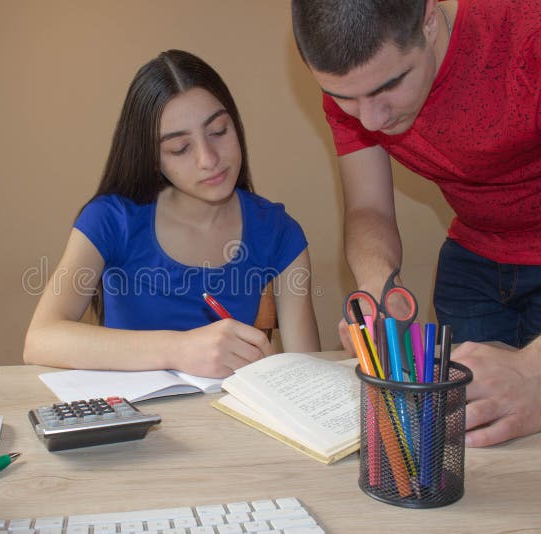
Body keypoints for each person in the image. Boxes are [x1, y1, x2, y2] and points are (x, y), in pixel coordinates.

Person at [291, 0, 541, 446]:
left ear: (429, 19)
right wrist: (381, 287)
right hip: (472, 265)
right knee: (472, 449)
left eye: (389, 86)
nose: (370, 120)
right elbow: (369, 210)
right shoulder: (358, 79)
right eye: (343, 98)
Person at [23, 49, 321, 378]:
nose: (208, 159)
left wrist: (279, 373)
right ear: (154, 158)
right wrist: (178, 350)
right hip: (132, 422)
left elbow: (306, 376)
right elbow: (40, 339)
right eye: (180, 148)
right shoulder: (112, 219)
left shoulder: (278, 231)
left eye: (219, 131)